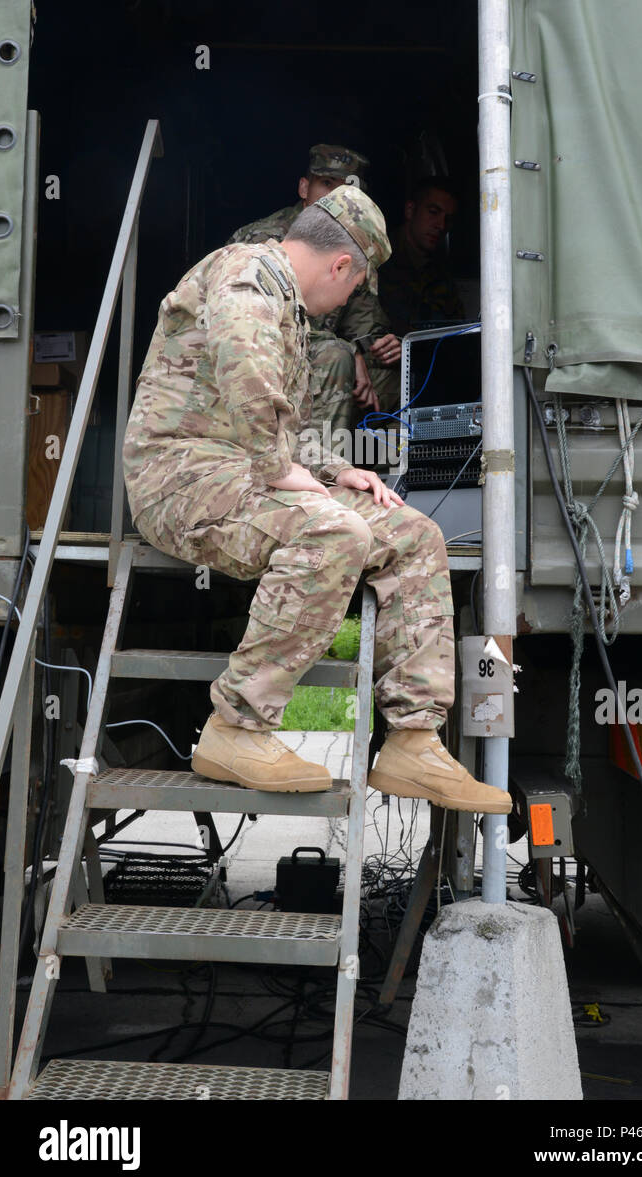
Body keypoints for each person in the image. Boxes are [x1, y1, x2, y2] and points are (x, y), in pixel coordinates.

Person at [123, 184, 510, 814]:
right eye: (356, 287)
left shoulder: (284, 301)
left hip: (242, 472)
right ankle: (237, 726)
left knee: (413, 534)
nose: (351, 298)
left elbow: (285, 423)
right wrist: (284, 470)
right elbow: (245, 368)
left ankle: (413, 741)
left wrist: (333, 469)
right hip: (181, 479)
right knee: (334, 532)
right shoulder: (248, 272)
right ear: (340, 266)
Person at [230, 144, 401, 432]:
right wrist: (350, 351)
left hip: (325, 353)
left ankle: (368, 462)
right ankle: (315, 463)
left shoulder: (352, 249)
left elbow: (363, 319)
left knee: (391, 374)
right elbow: (259, 328)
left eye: (345, 188)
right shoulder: (264, 239)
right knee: (336, 357)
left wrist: (380, 346)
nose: (334, 196)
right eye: (326, 184)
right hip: (275, 353)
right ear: (303, 188)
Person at [377, 176, 465, 337]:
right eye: (433, 212)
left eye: (448, 219)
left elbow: (457, 328)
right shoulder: (379, 258)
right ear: (410, 210)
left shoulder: (441, 273)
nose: (441, 225)